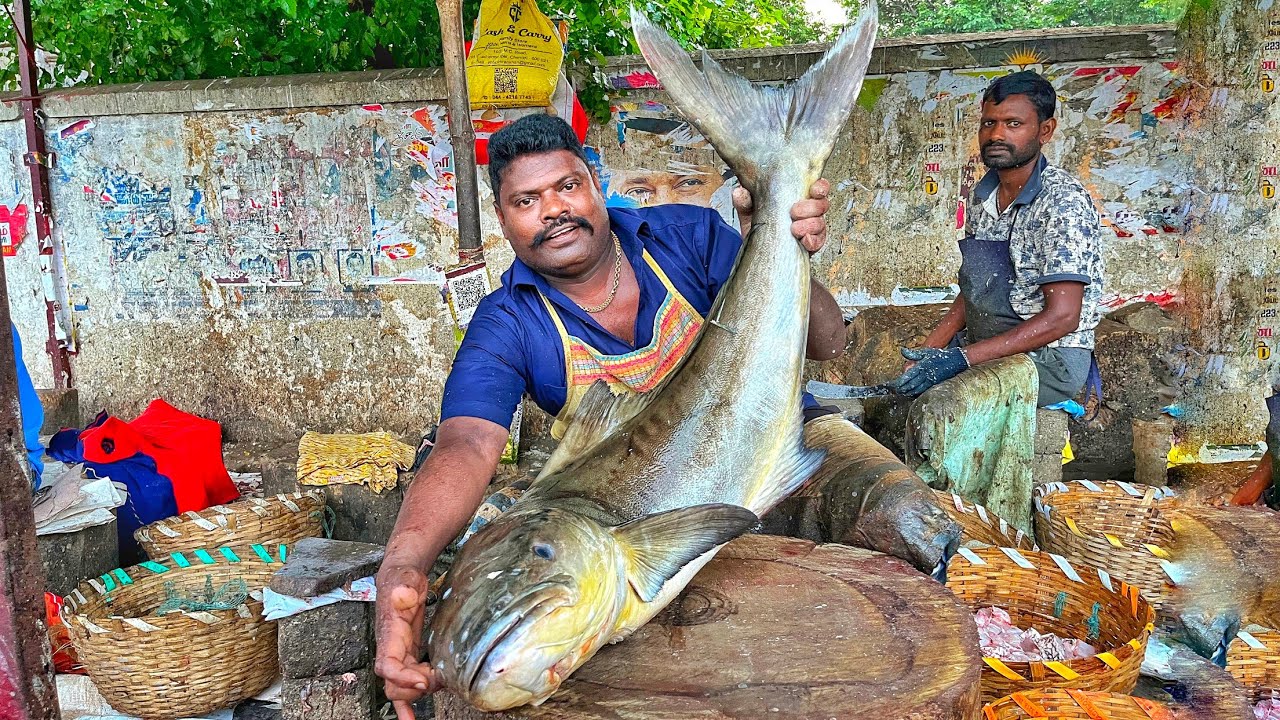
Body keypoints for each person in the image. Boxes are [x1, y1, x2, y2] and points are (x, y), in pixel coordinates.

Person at [373, 112, 865, 716]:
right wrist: (402, 567)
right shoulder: (506, 321)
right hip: (621, 501)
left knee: (904, 515)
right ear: (503, 221)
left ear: (594, 185)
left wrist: (782, 238)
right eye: (527, 200)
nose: (553, 209)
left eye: (567, 187)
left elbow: (829, 345)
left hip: (790, 433)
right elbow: (468, 444)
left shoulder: (688, 236)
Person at [892, 70, 1104, 406]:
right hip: (990, 347)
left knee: (945, 401)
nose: (996, 135)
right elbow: (979, 289)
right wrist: (931, 349)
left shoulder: (1063, 201)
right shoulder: (983, 195)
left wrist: (961, 359)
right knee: (904, 392)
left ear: (1045, 131)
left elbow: (1064, 316)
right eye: (989, 123)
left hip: (1049, 359)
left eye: (1013, 124)